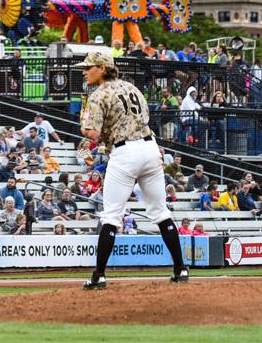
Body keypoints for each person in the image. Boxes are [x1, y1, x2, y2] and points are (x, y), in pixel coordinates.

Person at [78, 51, 188, 289]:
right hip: (150, 148)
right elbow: (144, 118)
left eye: (89, 67)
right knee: (160, 212)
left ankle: (99, 275)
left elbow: (93, 134)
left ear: (103, 69)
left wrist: (83, 124)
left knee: (111, 216)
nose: (85, 71)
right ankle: (181, 269)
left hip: (125, 152)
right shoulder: (132, 87)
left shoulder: (99, 94)